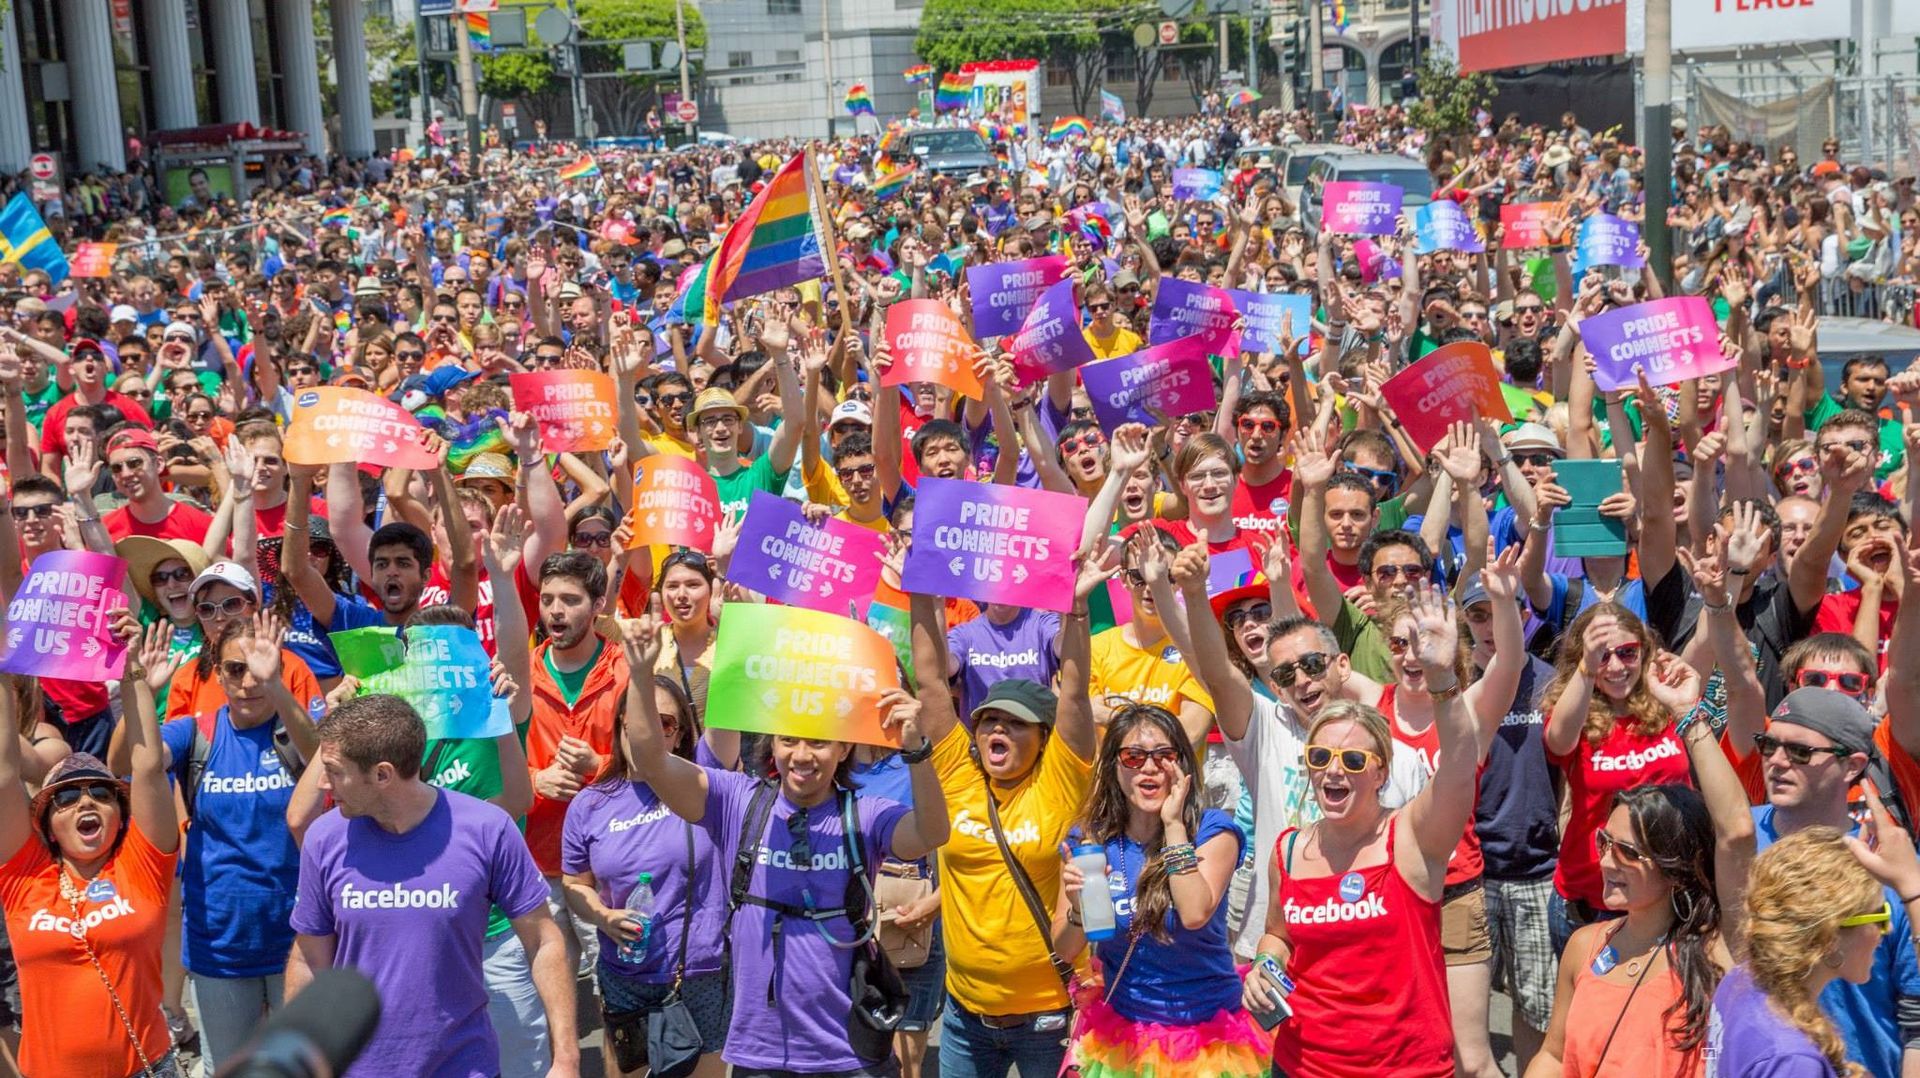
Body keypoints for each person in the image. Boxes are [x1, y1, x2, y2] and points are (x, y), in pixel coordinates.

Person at [619, 612, 951, 1077]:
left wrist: (917, 751)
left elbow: (933, 833)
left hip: (851, 1053)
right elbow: (652, 761)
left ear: (843, 749)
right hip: (760, 1053)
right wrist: (638, 673)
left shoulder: (865, 812)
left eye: (818, 742)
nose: (801, 755)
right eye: (788, 739)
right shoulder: (737, 801)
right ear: (771, 745)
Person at [1240, 584, 1476, 1076]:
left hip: (1404, 1067)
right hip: (1302, 1064)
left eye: (1352, 759)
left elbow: (1458, 762)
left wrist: (1442, 679)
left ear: (1381, 773)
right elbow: (1277, 935)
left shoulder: (1412, 838)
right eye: (1320, 757)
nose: (1333, 770)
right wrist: (1265, 965)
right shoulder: (1288, 850)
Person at [285, 694, 581, 1078]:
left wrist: (567, 1058)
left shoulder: (487, 829)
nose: (324, 782)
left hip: (463, 1065)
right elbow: (308, 959)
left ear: (382, 775)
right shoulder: (324, 839)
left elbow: (544, 941)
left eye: (334, 770)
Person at [0, 611, 179, 1078]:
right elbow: (2, 776)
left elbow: (147, 768)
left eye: (101, 793)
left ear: (121, 816)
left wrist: (131, 668)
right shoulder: (24, 876)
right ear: (46, 821)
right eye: (66, 796)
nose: (85, 801)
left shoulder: (141, 864)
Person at [1051, 703, 1265, 1077]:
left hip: (1205, 1038)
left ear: (1182, 765)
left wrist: (1173, 826)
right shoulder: (1090, 840)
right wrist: (1078, 908)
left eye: (1163, 755)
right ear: (1114, 767)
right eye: (1133, 756)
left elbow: (1195, 912)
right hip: (1122, 1035)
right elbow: (1067, 949)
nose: (1149, 767)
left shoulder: (1213, 832)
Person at [561, 669, 729, 1078]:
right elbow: (573, 883)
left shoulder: (705, 783)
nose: (649, 731)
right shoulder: (590, 804)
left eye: (665, 723)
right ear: (620, 725)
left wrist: (730, 632)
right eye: (638, 718)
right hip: (626, 975)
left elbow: (727, 718)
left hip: (700, 975)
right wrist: (603, 917)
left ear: (680, 735)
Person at [1708, 820, 1920, 1078]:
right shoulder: (1794, 1061)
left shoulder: (1740, 982)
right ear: (1830, 937)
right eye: (1880, 917)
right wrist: (1913, 891)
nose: (1883, 933)